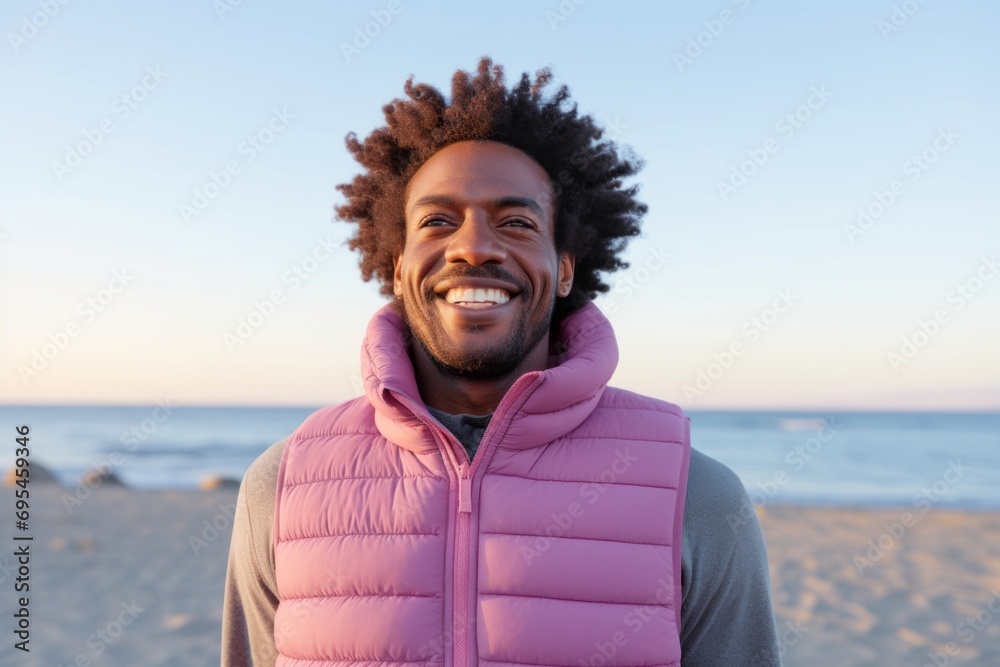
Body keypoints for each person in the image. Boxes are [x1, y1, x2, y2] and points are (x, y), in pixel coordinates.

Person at [222, 56, 781, 667]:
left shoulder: (697, 494)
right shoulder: (279, 486)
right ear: (395, 266)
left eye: (516, 222)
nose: (473, 247)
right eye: (437, 221)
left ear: (565, 268)